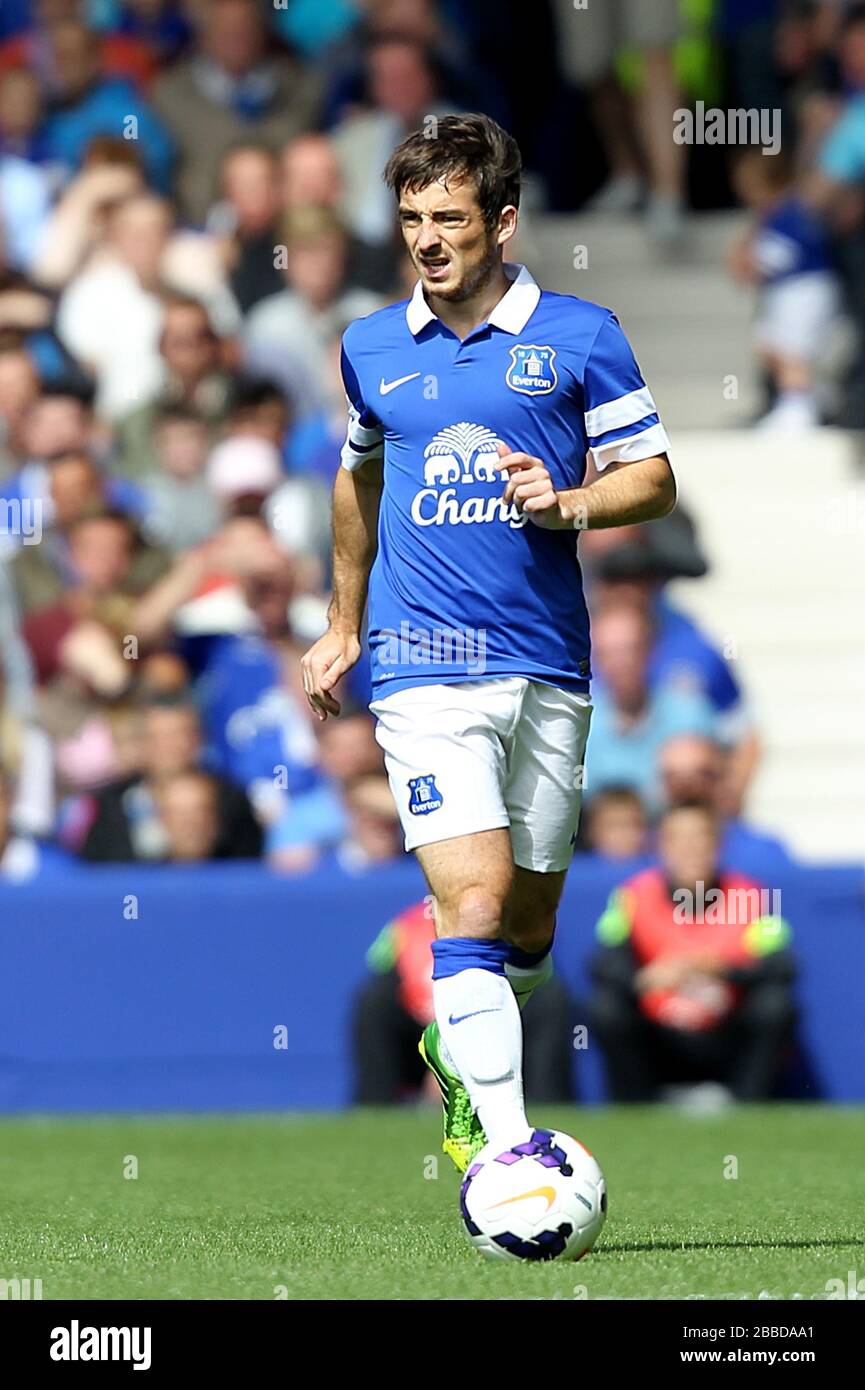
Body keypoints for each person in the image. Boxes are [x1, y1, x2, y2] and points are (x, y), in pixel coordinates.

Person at [301, 114, 676, 1172]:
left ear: (501, 223)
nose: (426, 238)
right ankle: (510, 1150)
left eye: (449, 218)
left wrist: (567, 505)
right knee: (466, 900)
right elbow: (356, 477)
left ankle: (458, 1036)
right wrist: (340, 624)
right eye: (412, 217)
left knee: (527, 926)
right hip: (421, 663)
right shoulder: (371, 347)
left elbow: (652, 478)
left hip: (546, 662)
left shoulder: (582, 337)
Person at [587, 801, 797, 1103]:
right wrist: (646, 977)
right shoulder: (632, 896)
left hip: (726, 1033)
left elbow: (782, 966)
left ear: (717, 844)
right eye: (678, 838)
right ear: (661, 846)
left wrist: (723, 970)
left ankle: (749, 1105)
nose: (690, 848)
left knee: (775, 1005)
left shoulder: (751, 896)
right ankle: (636, 1106)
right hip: (659, 1037)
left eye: (700, 837)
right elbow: (603, 963)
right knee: (606, 1007)